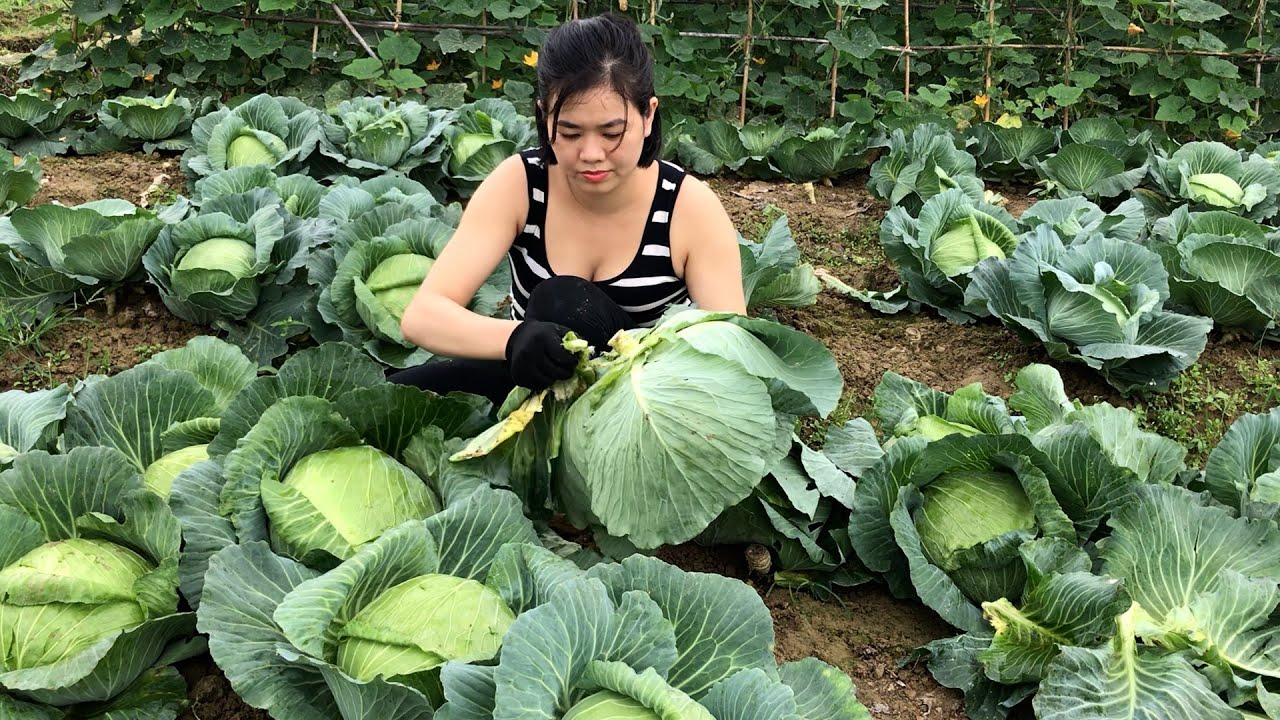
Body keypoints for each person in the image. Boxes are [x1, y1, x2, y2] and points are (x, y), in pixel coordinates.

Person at [391, 12, 746, 406]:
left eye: (612, 133)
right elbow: (423, 315)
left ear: (648, 116)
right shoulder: (521, 184)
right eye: (570, 132)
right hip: (534, 383)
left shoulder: (687, 207)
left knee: (561, 302)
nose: (591, 154)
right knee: (391, 400)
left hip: (643, 406)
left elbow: (732, 346)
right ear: (544, 116)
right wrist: (514, 339)